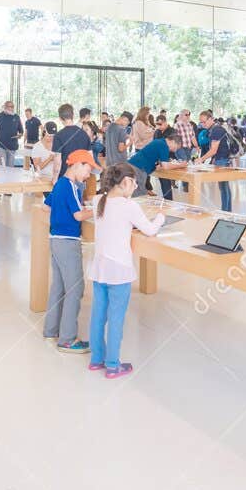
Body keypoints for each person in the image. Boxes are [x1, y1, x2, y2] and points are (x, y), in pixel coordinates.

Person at [88, 163, 165, 379]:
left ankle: (96, 359)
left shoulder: (98, 201)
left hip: (100, 267)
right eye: (134, 181)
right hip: (119, 269)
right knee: (116, 318)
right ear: (125, 182)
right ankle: (113, 365)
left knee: (98, 315)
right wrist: (160, 218)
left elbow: (113, 222)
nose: (137, 185)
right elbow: (149, 230)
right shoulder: (129, 206)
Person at [43, 149, 96, 353]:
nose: (89, 175)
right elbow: (78, 216)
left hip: (55, 240)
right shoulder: (71, 186)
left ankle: (51, 330)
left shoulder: (59, 184)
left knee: (59, 286)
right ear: (77, 164)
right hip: (68, 241)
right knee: (75, 288)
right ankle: (67, 339)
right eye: (88, 169)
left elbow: (48, 207)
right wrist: (98, 208)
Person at [198, 109, 240, 211]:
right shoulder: (216, 129)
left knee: (223, 187)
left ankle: (225, 211)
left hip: (222, 161)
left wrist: (201, 159)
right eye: (201, 122)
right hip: (223, 159)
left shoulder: (216, 130)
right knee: (225, 187)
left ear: (211, 119)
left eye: (204, 121)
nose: (203, 124)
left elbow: (213, 150)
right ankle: (227, 211)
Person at [127, 126, 176, 199]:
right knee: (139, 196)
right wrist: (181, 165)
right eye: (176, 147)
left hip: (133, 165)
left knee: (136, 193)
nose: (174, 150)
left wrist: (157, 166)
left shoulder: (158, 142)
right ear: (173, 141)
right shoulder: (164, 146)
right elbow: (165, 166)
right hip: (139, 168)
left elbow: (152, 156)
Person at [0, 100, 23, 168]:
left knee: (10, 168)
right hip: (1, 147)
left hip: (12, 147)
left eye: (13, 106)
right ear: (5, 107)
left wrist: (20, 135)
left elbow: (21, 131)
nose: (12, 108)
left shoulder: (16, 117)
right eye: (10, 106)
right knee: (2, 167)